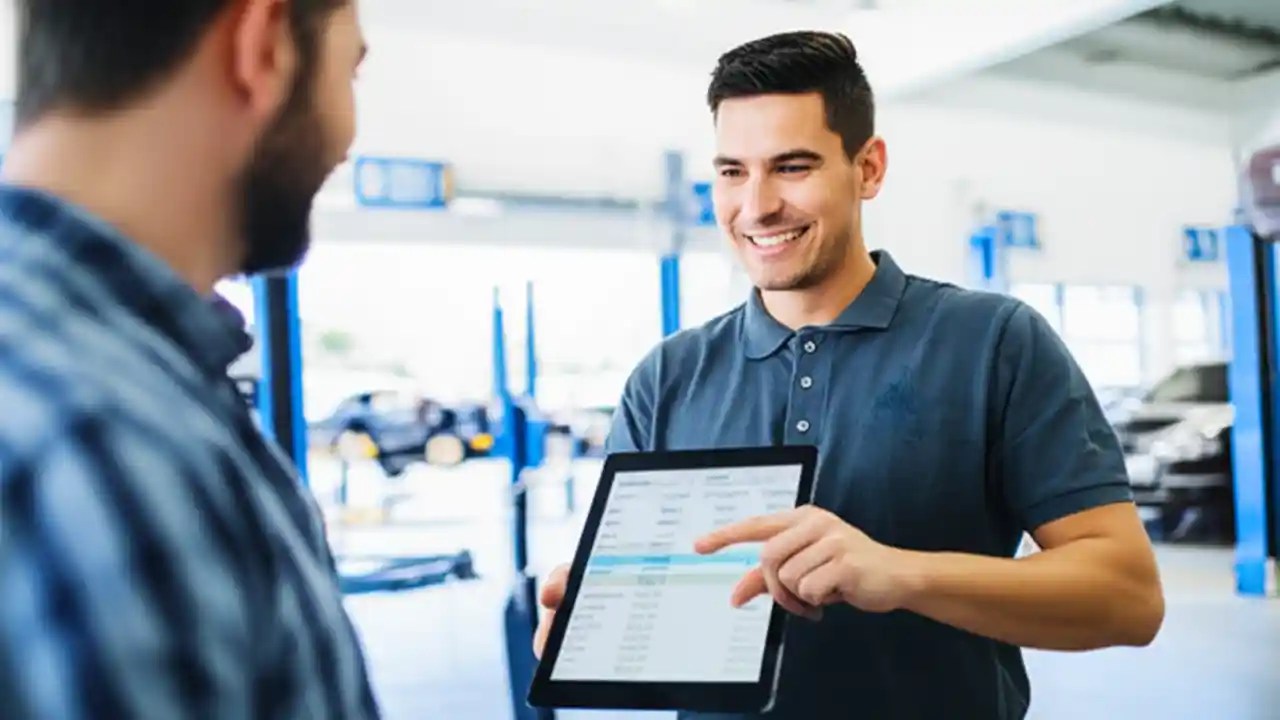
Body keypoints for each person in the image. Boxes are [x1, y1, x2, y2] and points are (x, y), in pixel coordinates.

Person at [534, 30, 1165, 720]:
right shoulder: (668, 376)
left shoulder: (993, 342)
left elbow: (1128, 598)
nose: (756, 206)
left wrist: (902, 574)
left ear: (868, 168)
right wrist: (596, 617)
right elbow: (662, 600)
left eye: (792, 167)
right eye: (732, 172)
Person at [0, 1, 379, 718]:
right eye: (350, 70)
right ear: (262, 45)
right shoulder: (111, 444)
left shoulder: (116, 383)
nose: (346, 144)